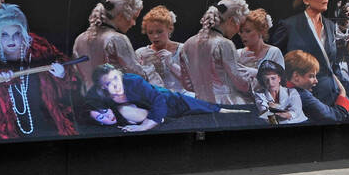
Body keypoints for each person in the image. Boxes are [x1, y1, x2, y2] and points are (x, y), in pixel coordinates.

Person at [0, 4, 78, 140]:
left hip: (44, 128)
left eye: (16, 34)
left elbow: (67, 74)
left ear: (24, 34)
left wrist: (61, 74)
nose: (11, 40)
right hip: (2, 133)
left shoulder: (39, 51)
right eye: (4, 35)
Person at [272, 0, 349, 114]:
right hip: (307, 102)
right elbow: (274, 64)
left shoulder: (329, 26)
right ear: (306, 0)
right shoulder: (289, 26)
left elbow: (333, 68)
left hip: (335, 97)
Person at [84, 65, 238, 132]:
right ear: (102, 86)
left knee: (218, 110)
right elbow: (89, 107)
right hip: (157, 110)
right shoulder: (97, 94)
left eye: (116, 78)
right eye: (109, 83)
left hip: (173, 101)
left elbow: (158, 100)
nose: (116, 85)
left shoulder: (132, 81)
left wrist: (146, 125)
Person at [181, 0, 254, 106]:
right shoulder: (224, 44)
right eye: (240, 24)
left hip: (200, 105)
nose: (239, 31)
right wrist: (256, 75)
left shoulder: (187, 44)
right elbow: (241, 84)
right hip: (226, 105)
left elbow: (188, 85)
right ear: (232, 21)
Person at [72, 0, 149, 91]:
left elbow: (76, 74)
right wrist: (148, 67)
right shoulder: (117, 39)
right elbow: (138, 77)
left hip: (86, 101)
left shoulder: (80, 39)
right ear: (121, 16)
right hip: (113, 101)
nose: (134, 23)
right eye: (134, 18)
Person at [135, 6, 193, 93]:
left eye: (159, 31)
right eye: (150, 32)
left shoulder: (183, 49)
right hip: (153, 99)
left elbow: (193, 82)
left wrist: (171, 64)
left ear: (169, 29)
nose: (155, 36)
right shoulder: (141, 53)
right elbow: (135, 83)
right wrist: (143, 66)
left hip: (180, 99)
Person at [283, 49, 349, 123]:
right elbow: (336, 116)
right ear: (296, 76)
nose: (316, 81)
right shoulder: (303, 96)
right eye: (311, 76)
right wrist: (342, 94)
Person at [235, 8, 283, 86]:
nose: (243, 35)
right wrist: (237, 66)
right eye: (241, 32)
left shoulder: (274, 52)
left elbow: (281, 81)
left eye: (248, 31)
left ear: (261, 31)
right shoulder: (238, 53)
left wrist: (257, 73)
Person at [251, 59, 306, 124]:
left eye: (273, 78)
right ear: (262, 80)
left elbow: (296, 111)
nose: (270, 83)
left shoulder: (292, 92)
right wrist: (275, 125)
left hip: (299, 124)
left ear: (279, 78)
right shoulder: (259, 95)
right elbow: (264, 112)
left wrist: (287, 115)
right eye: (266, 80)